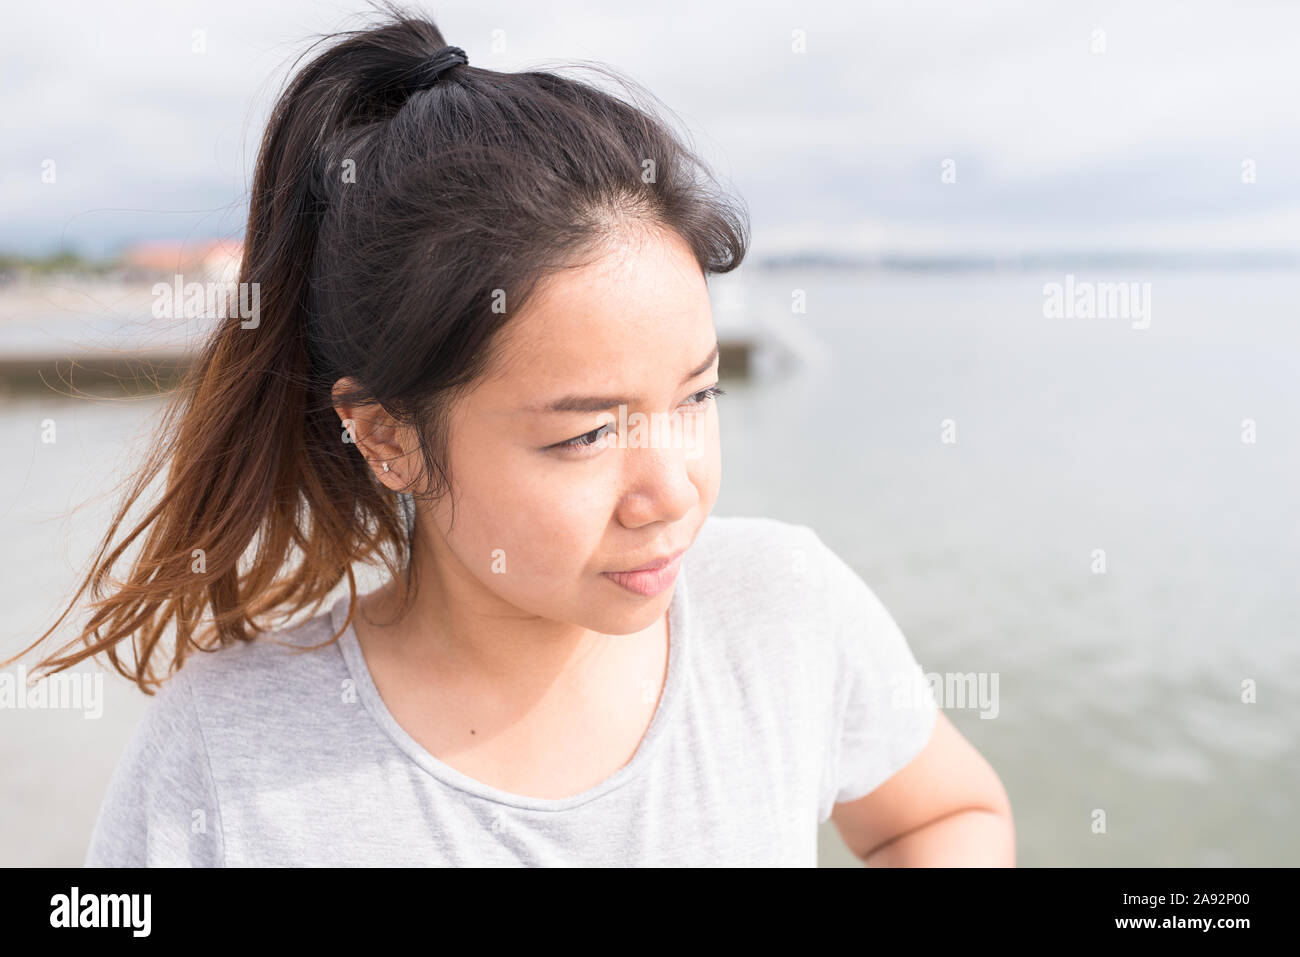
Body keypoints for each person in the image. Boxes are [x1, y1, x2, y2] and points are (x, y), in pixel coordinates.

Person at [12, 7, 1013, 866]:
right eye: (584, 437)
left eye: (696, 398)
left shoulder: (786, 615)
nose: (669, 490)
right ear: (386, 436)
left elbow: (942, 813)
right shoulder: (231, 750)